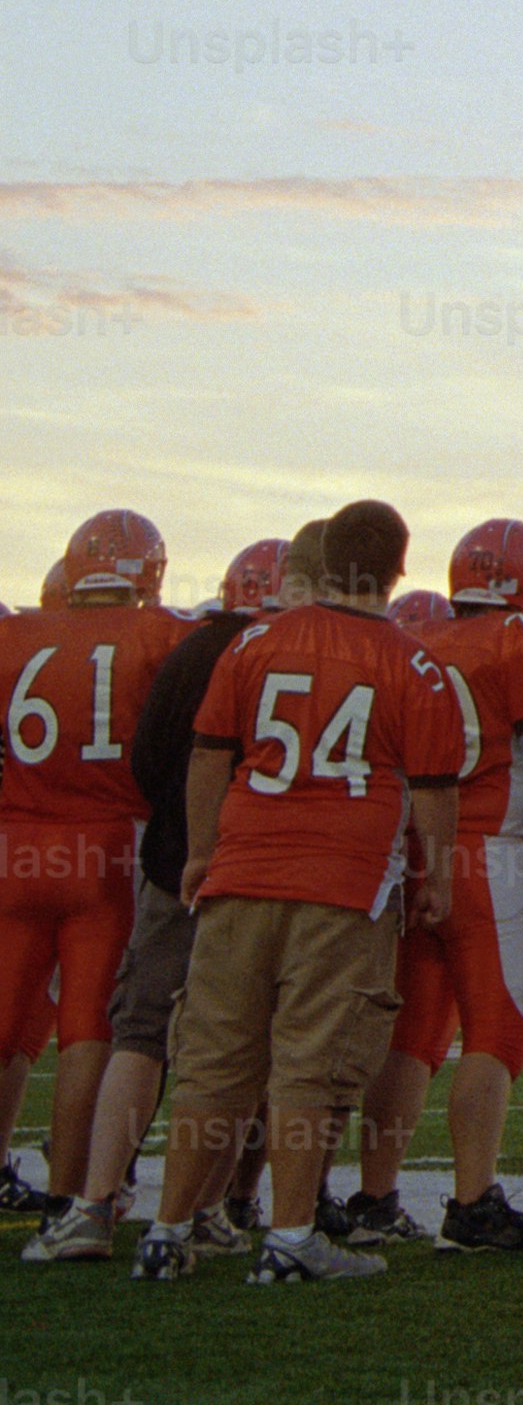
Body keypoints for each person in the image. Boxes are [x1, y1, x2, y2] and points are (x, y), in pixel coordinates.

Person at [139, 497, 467, 1281]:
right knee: (308, 1066)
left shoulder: (254, 642)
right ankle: (289, 1238)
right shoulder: (414, 663)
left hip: (243, 872)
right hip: (341, 885)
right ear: (395, 568)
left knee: (214, 1060)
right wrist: (439, 878)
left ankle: (168, 1230)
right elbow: (432, 791)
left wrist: (203, 854)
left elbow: (210, 756)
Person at [34, 535, 289, 1265]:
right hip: (265, 873)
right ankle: (210, 1206)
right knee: (245, 1047)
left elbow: (147, 758)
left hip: (174, 864)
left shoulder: (188, 647)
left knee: (140, 1032)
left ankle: (91, 1204)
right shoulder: (306, 652)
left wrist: (182, 832)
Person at [354, 518, 523, 1256]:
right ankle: (473, 1201)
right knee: (499, 1027)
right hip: (492, 850)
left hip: (419, 851)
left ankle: (374, 1196)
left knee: (414, 1034)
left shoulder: (417, 643)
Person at [0, 511, 161, 1241]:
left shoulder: (13, 633)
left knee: (6, 1020)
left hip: (16, 846)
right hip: (103, 847)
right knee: (87, 1027)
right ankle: (69, 1199)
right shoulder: (160, 634)